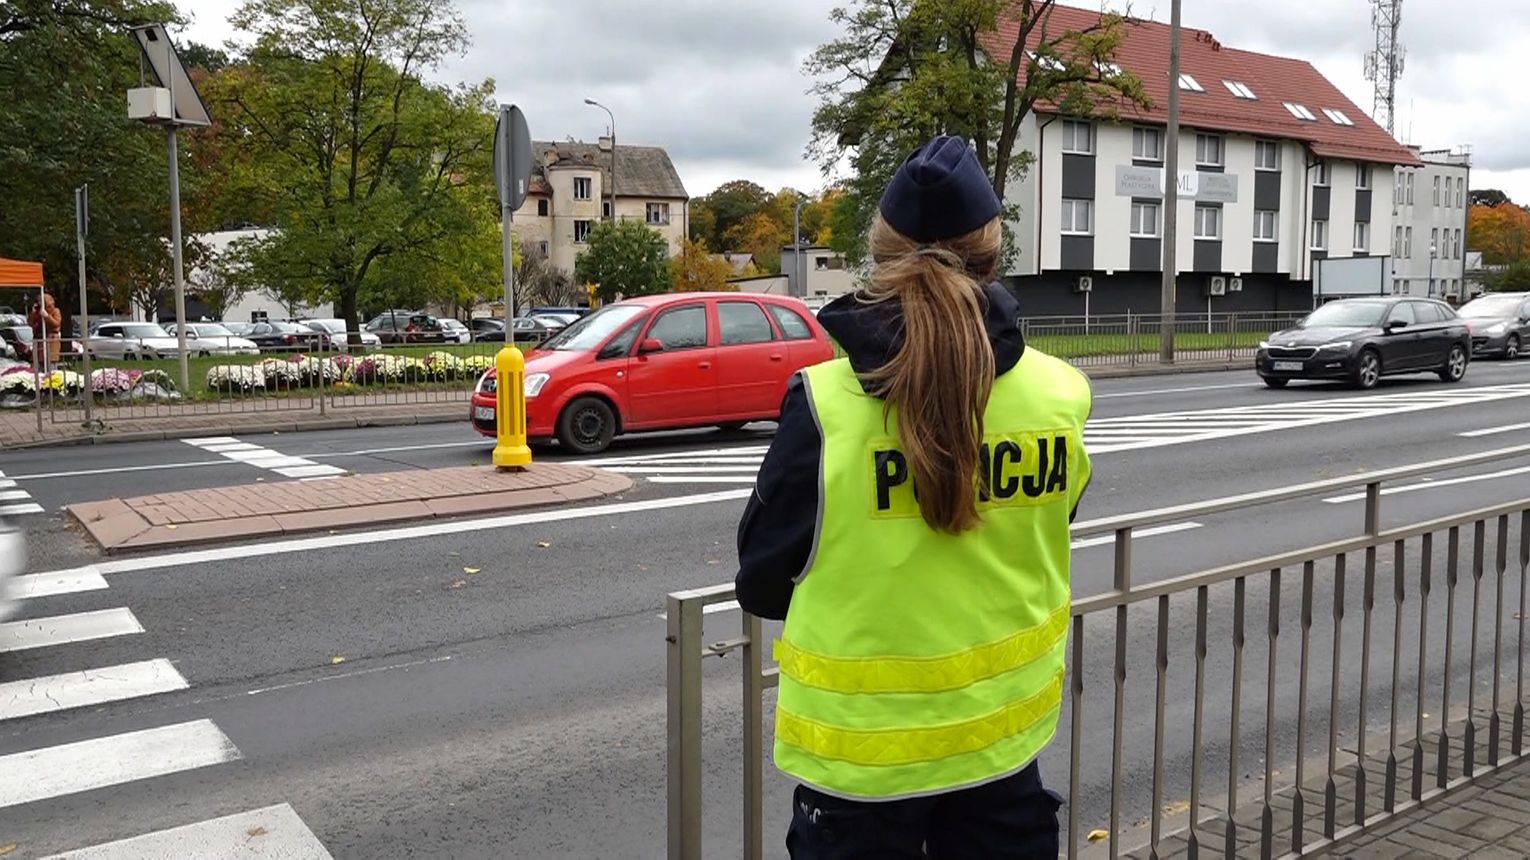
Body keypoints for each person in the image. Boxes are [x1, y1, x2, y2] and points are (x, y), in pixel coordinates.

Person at [735, 135, 1093, 859]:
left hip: (862, 774)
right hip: (1001, 752)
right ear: (993, 254)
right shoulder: (1060, 393)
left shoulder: (825, 405)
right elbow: (1045, 529)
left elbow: (765, 582)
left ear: (878, 254)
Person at [27, 293, 62, 372]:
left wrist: (46, 316)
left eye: (40, 301)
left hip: (50, 341)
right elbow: (30, 323)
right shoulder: (37, 313)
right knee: (37, 366)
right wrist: (33, 313)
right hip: (39, 341)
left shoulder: (55, 311)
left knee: (51, 367)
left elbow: (56, 323)